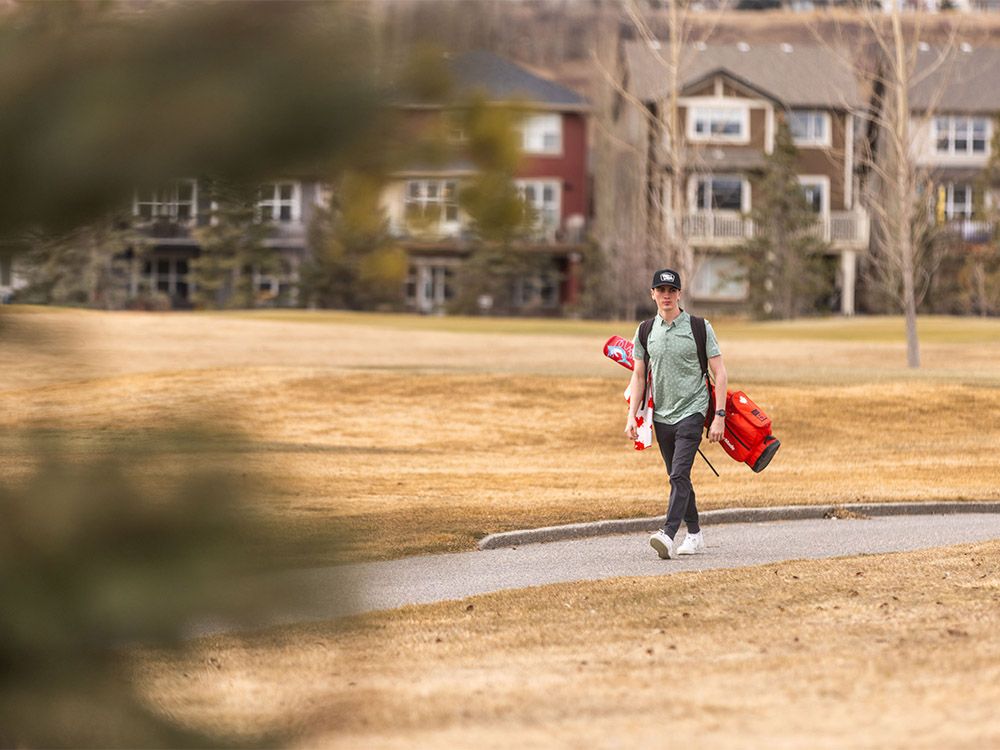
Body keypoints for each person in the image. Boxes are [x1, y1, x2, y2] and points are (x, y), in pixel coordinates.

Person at [624, 268, 728, 559]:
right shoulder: (645, 330)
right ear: (653, 294)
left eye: (671, 291)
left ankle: (667, 534)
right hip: (661, 416)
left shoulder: (699, 327)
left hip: (693, 410)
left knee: (679, 472)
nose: (666, 296)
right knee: (677, 476)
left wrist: (719, 415)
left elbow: (719, 373)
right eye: (661, 291)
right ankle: (694, 534)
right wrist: (632, 415)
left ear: (679, 294)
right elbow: (639, 375)